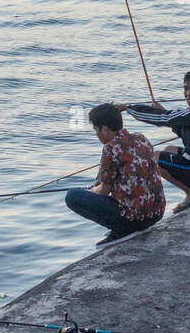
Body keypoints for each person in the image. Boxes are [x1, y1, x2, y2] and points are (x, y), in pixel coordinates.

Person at [123, 70, 190, 213]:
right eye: (186, 88)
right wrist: (164, 113)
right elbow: (183, 126)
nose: (188, 93)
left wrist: (127, 108)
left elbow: (162, 118)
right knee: (169, 149)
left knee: (154, 157)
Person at [64, 104, 165, 247]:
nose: (96, 135)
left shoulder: (111, 147)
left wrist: (92, 191)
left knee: (72, 196)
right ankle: (132, 225)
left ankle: (122, 230)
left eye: (95, 130)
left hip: (136, 218)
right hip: (157, 212)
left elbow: (103, 191)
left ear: (104, 129)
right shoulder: (140, 138)